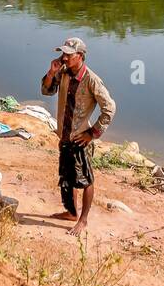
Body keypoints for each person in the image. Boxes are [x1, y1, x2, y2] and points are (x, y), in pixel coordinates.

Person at [41, 37, 116, 236]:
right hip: (64, 135)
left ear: (80, 56)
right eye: (62, 53)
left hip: (80, 138)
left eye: (68, 54)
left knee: (85, 180)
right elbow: (47, 90)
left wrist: (92, 134)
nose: (64, 57)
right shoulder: (63, 72)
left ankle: (83, 220)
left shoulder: (91, 79)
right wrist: (51, 72)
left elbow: (109, 108)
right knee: (67, 178)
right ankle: (71, 213)